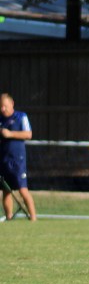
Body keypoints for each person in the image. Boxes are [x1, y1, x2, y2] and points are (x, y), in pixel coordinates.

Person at [0, 93, 38, 221]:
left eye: (5, 106)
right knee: (5, 190)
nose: (2, 109)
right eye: (1, 106)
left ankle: (33, 218)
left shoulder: (21, 117)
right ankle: (9, 217)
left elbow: (28, 134)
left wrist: (10, 134)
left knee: (22, 189)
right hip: (3, 159)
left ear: (12, 104)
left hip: (17, 159)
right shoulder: (0, 119)